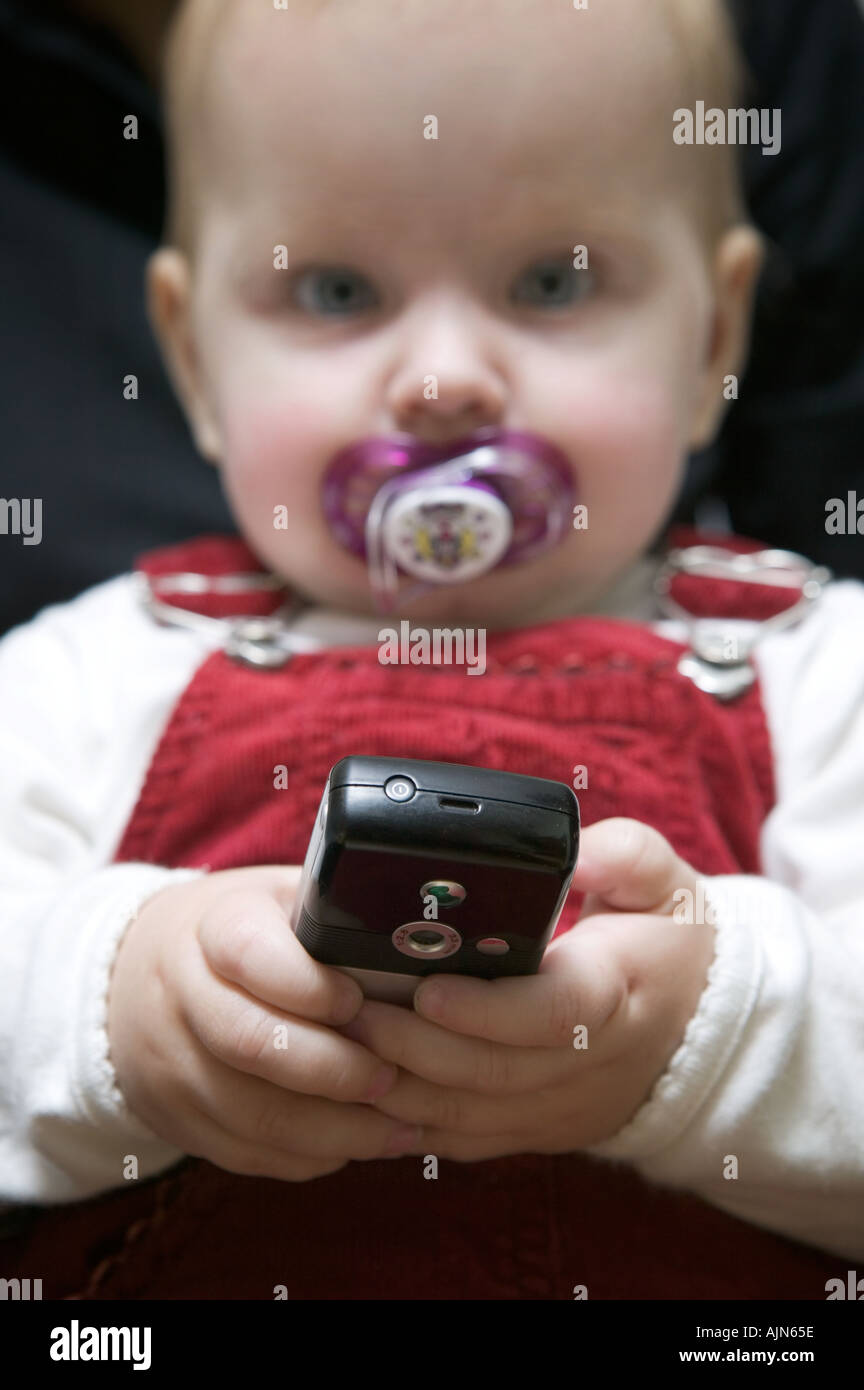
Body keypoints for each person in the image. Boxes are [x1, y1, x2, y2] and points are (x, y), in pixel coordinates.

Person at [0, 0, 862, 1300]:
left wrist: (715, 1031)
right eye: (337, 290)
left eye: (553, 282)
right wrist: (113, 1008)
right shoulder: (99, 666)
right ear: (192, 359)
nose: (445, 379)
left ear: (714, 338)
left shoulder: (811, 662)